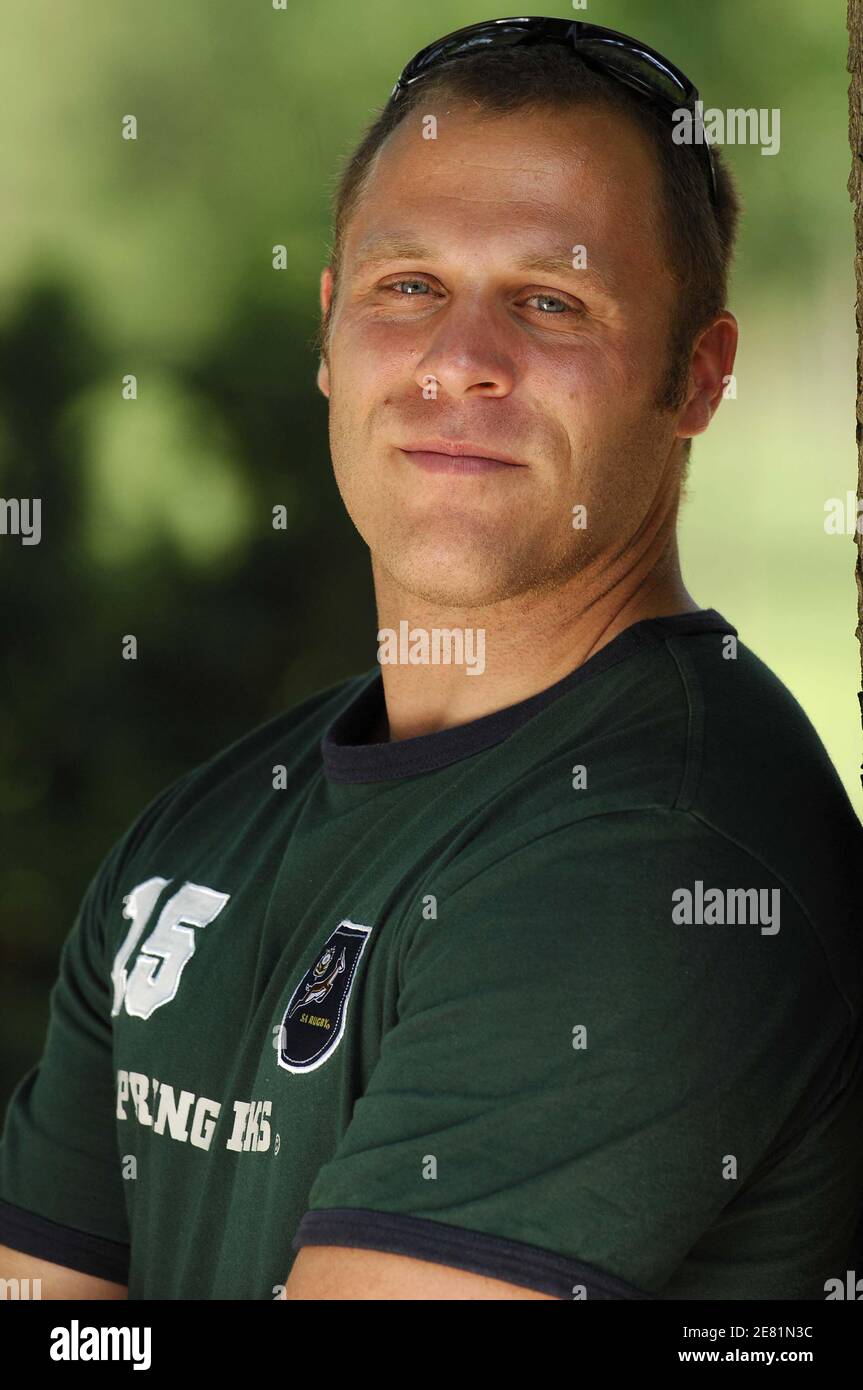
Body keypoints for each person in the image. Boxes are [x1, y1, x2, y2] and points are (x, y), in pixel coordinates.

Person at [1, 16, 861, 1302]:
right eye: (409, 287)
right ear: (331, 329)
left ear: (695, 375)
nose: (460, 362)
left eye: (550, 301)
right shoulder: (204, 832)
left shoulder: (661, 860)